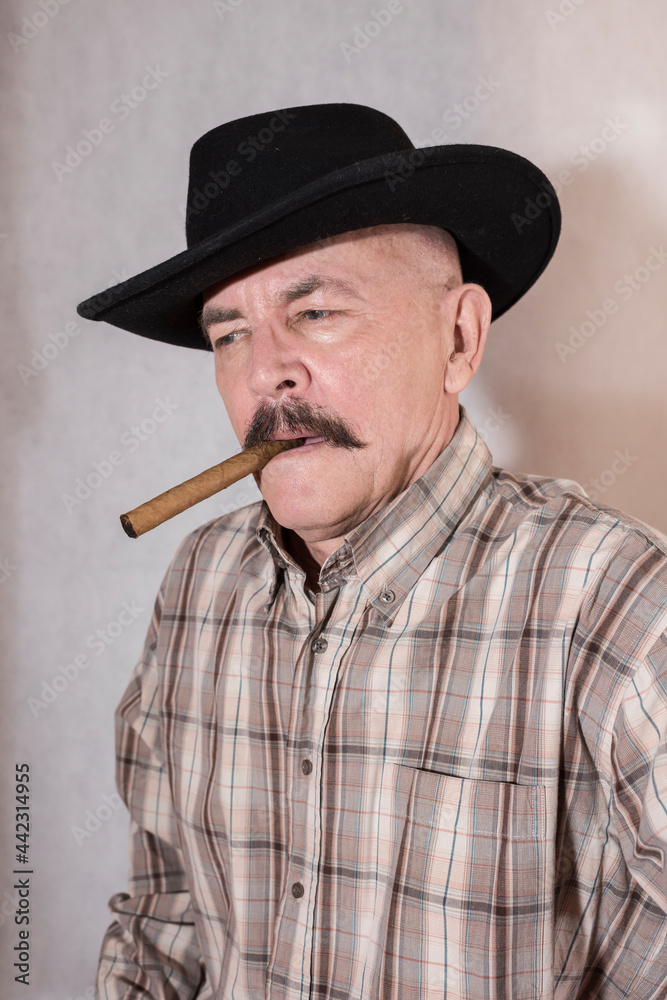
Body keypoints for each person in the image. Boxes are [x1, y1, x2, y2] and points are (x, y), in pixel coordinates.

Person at [78, 104, 667, 999]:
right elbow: (165, 924)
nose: (262, 371)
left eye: (313, 312)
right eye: (228, 333)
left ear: (459, 338)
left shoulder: (616, 604)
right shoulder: (199, 582)